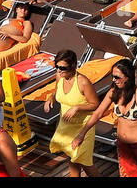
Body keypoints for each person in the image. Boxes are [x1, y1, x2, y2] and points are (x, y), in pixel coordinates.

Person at [75, 58, 137, 176]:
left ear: (128, 77)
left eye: (117, 77)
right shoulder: (114, 92)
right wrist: (81, 134)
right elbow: (97, 113)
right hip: (123, 146)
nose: (114, 80)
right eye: (113, 76)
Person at [42, 48, 100, 176]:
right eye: (56, 66)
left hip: (84, 126)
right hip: (66, 125)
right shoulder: (60, 76)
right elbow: (56, 90)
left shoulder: (82, 82)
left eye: (63, 68)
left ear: (73, 66)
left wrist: (77, 107)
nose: (58, 70)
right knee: (72, 157)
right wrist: (51, 97)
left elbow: (95, 104)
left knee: (85, 162)